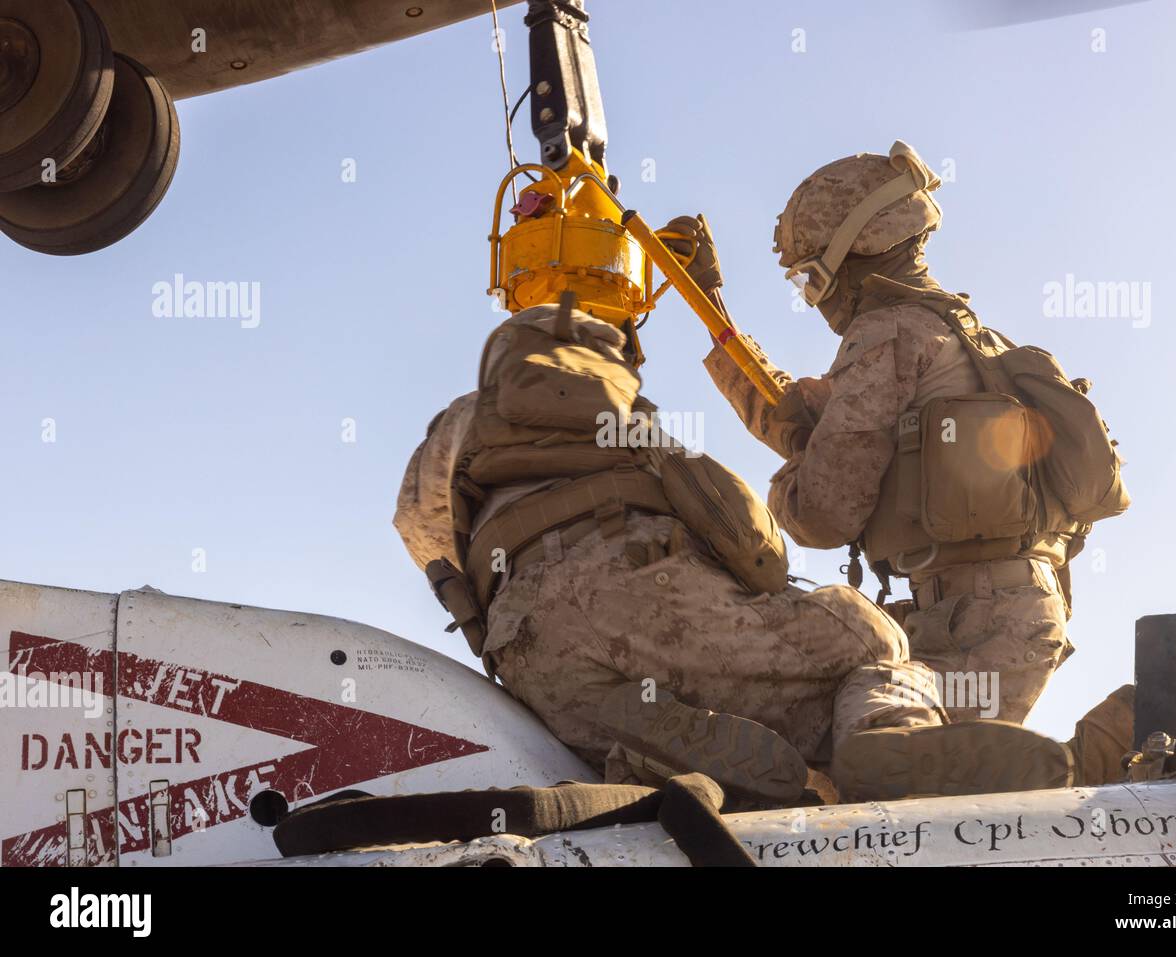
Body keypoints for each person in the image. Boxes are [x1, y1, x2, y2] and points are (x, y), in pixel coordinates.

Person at [392, 298, 1074, 803]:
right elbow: (752, 544)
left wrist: (489, 625)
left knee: (606, 716)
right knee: (869, 645)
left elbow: (420, 532)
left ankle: (681, 752)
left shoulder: (455, 430)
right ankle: (879, 736)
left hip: (527, 644)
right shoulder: (628, 423)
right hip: (646, 592)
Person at [666, 141, 1132, 780]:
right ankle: (1103, 752)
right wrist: (710, 309)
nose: (809, 297)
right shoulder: (952, 333)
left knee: (868, 724)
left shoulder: (888, 332)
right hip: (993, 614)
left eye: (807, 278)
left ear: (847, 256)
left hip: (981, 620)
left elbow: (823, 513)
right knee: (860, 738)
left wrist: (776, 494)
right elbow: (803, 419)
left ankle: (1096, 763)